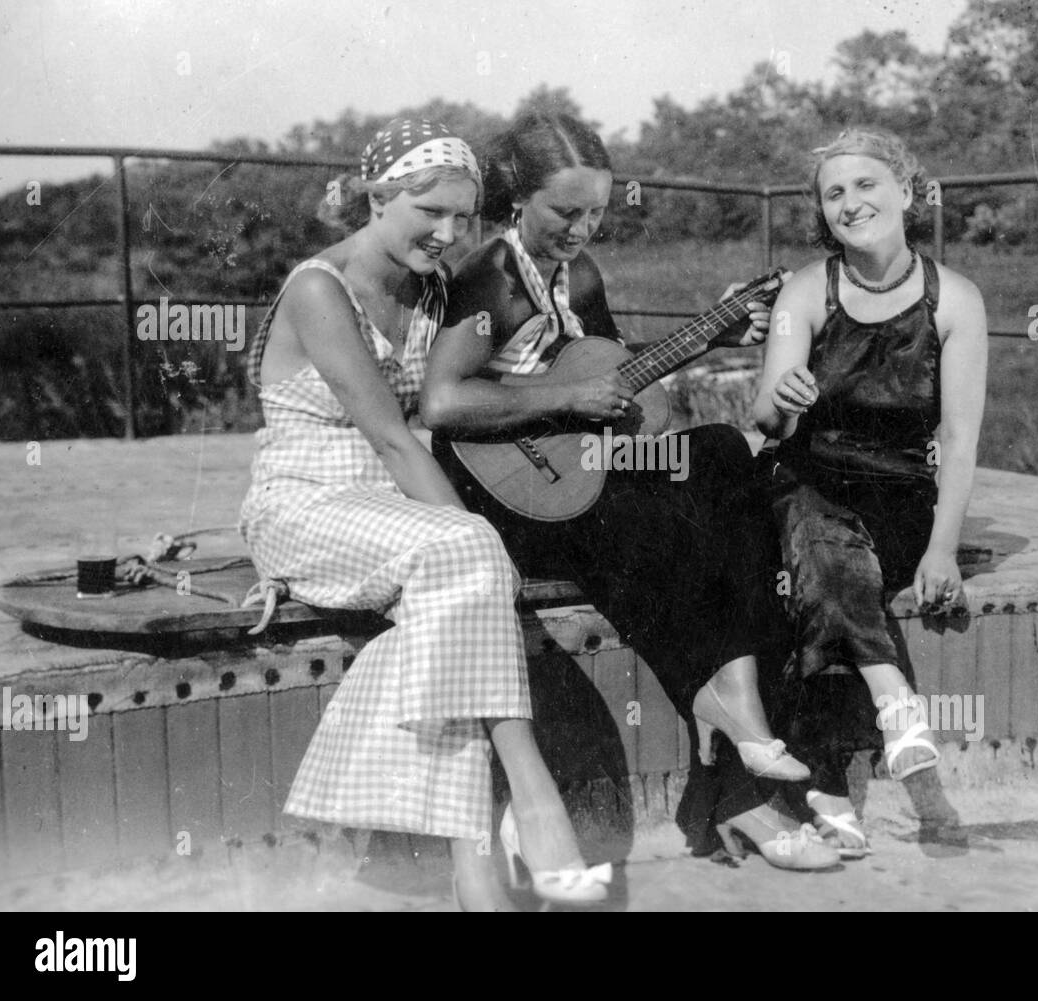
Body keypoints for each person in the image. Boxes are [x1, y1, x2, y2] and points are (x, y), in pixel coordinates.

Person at [421, 111, 839, 870]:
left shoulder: (577, 275)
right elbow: (442, 402)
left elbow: (607, 369)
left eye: (597, 212)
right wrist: (567, 405)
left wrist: (702, 340)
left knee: (721, 455)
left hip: (574, 467)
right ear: (518, 198)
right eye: (565, 212)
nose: (583, 229)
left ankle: (734, 694)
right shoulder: (489, 274)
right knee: (658, 526)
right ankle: (738, 782)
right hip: (499, 490)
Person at [239, 118, 609, 910]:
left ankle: (475, 859)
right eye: (428, 211)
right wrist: (487, 548)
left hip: (398, 514)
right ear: (377, 197)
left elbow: (490, 391)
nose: (447, 233)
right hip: (308, 502)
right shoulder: (317, 289)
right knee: (471, 559)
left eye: (464, 217)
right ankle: (533, 797)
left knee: (457, 592)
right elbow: (394, 439)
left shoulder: (438, 285)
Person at [753, 127, 988, 855]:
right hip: (808, 478)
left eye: (866, 186)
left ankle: (822, 780)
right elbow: (764, 419)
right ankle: (897, 704)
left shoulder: (956, 299)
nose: (851, 203)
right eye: (834, 194)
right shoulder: (806, 289)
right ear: (822, 215)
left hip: (899, 493)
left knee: (835, 575)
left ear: (906, 193)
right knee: (823, 550)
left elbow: (957, 437)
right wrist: (785, 397)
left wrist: (943, 549)